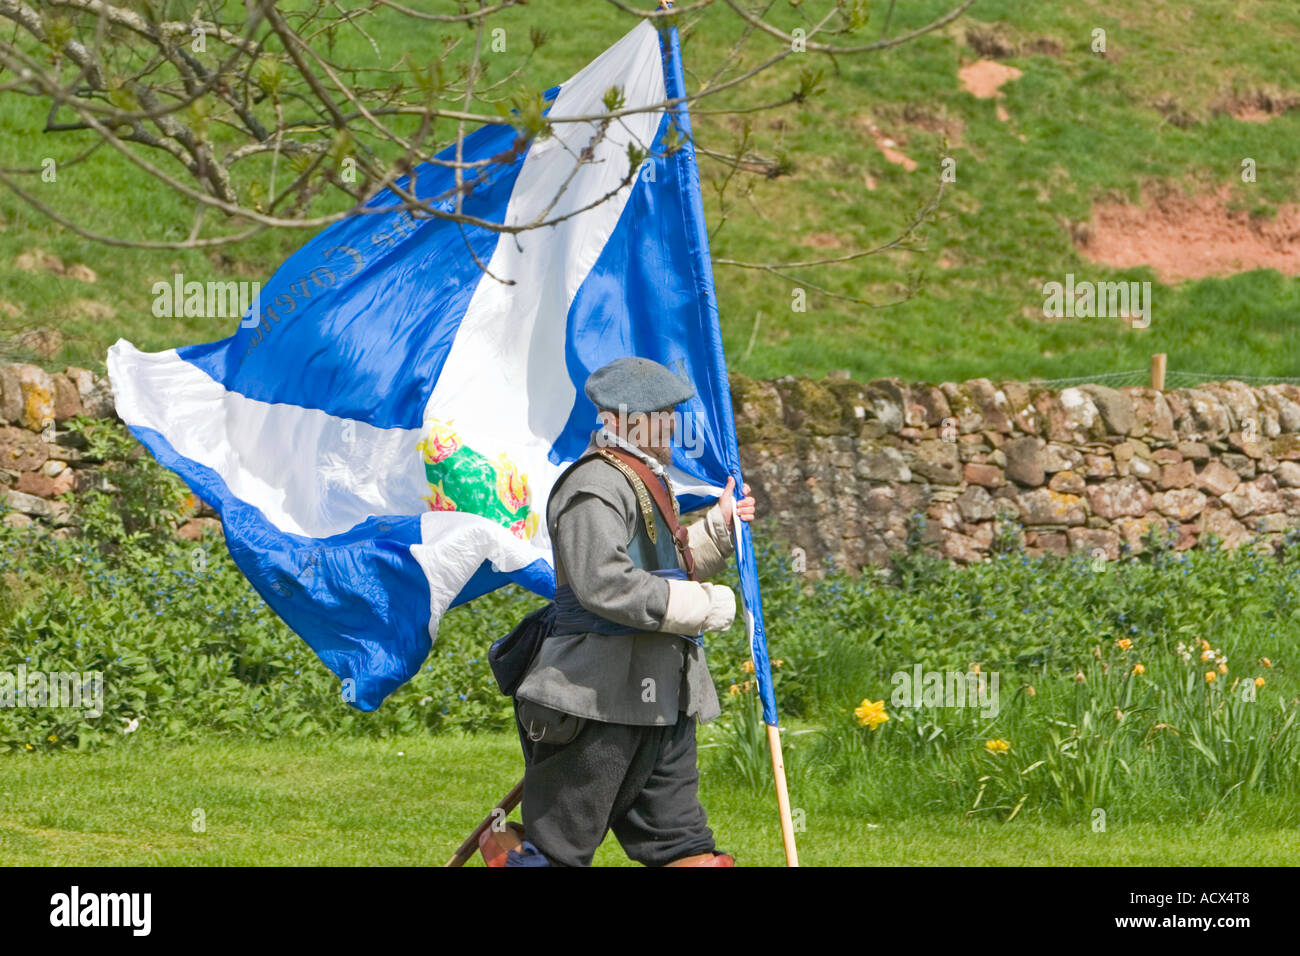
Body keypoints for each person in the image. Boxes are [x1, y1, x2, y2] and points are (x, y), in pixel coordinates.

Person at [479, 356, 756, 867]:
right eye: (663, 413)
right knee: (557, 854)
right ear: (627, 419)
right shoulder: (595, 485)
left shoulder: (642, 478)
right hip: (595, 698)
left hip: (665, 695)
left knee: (686, 850)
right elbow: (602, 583)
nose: (673, 423)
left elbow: (661, 566)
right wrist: (698, 605)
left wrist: (717, 530)